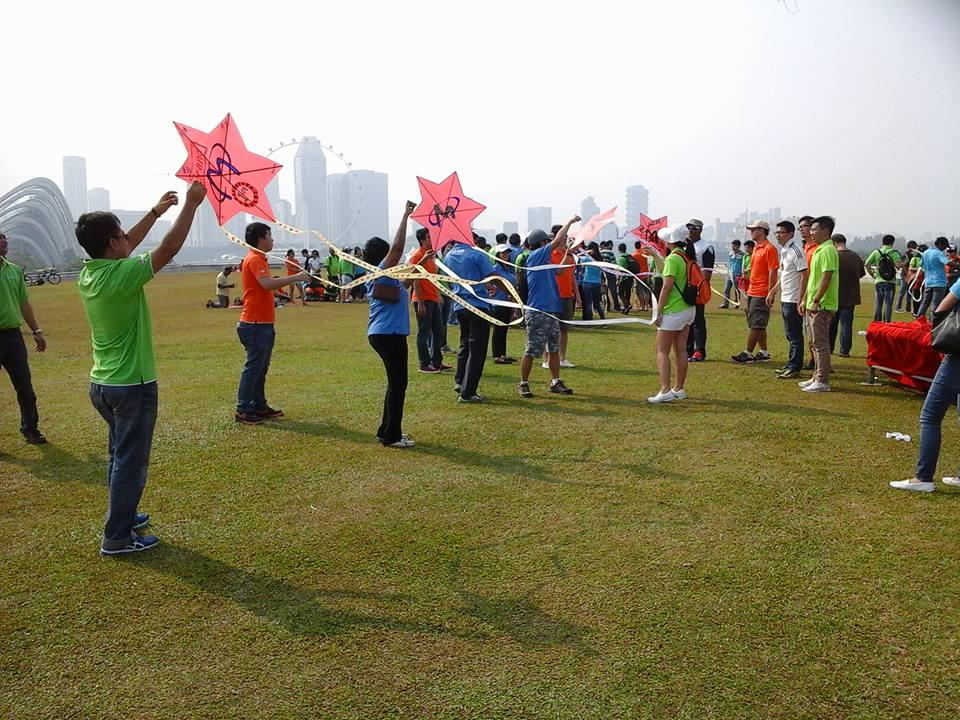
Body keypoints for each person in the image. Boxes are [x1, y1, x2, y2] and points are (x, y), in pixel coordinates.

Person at [75, 182, 205, 555]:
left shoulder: (91, 272)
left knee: (119, 455)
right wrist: (192, 205)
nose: (125, 239)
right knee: (130, 463)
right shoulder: (120, 275)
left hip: (104, 384)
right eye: (121, 235)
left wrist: (155, 211)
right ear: (114, 245)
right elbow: (169, 249)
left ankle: (124, 515)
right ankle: (117, 536)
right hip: (131, 385)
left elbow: (127, 243)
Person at [234, 222, 309, 425]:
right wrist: (297, 277)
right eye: (270, 236)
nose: (272, 239)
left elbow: (264, 287)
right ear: (261, 239)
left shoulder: (260, 259)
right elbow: (266, 284)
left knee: (260, 367)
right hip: (255, 323)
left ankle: (258, 405)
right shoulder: (256, 259)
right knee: (254, 367)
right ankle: (243, 408)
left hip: (262, 322)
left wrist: (280, 294)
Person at [366, 201, 417, 448]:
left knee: (395, 382)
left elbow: (401, 289)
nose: (393, 258)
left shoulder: (387, 276)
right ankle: (392, 436)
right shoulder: (380, 270)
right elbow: (397, 248)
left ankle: (386, 429)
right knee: (399, 384)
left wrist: (423, 261)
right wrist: (406, 215)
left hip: (385, 334)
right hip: (389, 335)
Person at [517, 218, 579, 398]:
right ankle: (523, 384)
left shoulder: (544, 261)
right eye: (547, 241)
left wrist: (567, 253)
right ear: (542, 243)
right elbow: (558, 241)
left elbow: (559, 271)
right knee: (531, 350)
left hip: (550, 310)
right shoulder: (535, 256)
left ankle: (555, 382)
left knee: (554, 349)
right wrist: (570, 222)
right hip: (537, 312)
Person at [0, 230, 48, 444]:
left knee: (25, 387)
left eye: (4, 241)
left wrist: (36, 331)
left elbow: (23, 303)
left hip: (12, 336)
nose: (3, 245)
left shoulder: (14, 271)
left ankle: (30, 428)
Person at [648, 225, 696, 403]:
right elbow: (668, 273)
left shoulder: (673, 259)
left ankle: (665, 390)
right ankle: (679, 388)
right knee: (681, 350)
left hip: (674, 310)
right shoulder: (685, 256)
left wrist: (658, 311)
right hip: (688, 309)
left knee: (662, 351)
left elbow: (667, 287)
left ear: (670, 240)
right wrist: (655, 255)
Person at [444, 235, 494, 403]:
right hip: (477, 306)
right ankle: (468, 392)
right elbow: (491, 275)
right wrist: (510, 292)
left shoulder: (449, 255)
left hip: (460, 306)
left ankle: (460, 381)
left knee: (465, 344)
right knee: (477, 350)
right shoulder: (477, 255)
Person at [798, 216, 840, 393]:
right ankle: (816, 376)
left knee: (820, 343)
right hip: (812, 304)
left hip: (821, 306)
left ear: (825, 231)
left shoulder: (828, 250)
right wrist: (804, 299)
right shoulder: (819, 250)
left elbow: (826, 277)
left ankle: (822, 380)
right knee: (814, 342)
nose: (811, 232)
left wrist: (816, 300)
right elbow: (813, 280)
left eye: (814, 229)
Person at [731, 221, 777, 363]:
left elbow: (773, 271)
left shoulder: (769, 249)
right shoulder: (756, 248)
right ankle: (763, 352)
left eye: (753, 229)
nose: (750, 232)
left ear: (762, 230)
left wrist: (770, 292)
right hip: (753, 291)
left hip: (761, 292)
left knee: (756, 324)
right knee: (758, 324)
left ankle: (748, 353)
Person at [769, 221, 807, 378]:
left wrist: (801, 299)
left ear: (791, 234)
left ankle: (795, 367)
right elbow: (784, 275)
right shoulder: (784, 250)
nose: (778, 235)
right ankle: (791, 363)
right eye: (776, 232)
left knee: (795, 335)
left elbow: (805, 275)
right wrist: (773, 291)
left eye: (781, 232)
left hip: (793, 299)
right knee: (790, 334)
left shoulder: (796, 250)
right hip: (785, 298)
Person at [410, 228, 446, 373]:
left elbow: (432, 279)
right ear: (422, 240)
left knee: (439, 331)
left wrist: (438, 295)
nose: (432, 239)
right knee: (424, 332)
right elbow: (415, 281)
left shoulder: (431, 256)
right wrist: (421, 302)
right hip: (423, 300)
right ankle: (424, 363)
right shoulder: (418, 256)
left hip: (433, 298)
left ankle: (437, 361)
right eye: (429, 237)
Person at [829, 234, 865, 357]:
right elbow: (861, 273)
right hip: (851, 296)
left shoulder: (834, 256)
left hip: (835, 296)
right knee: (846, 325)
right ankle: (845, 351)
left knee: (831, 325)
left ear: (834, 243)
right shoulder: (855, 256)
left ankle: (829, 348)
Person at [686, 219, 713, 362]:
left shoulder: (706, 247)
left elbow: (707, 272)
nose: (690, 230)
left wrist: (700, 288)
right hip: (685, 288)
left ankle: (699, 351)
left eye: (693, 228)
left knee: (698, 320)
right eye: (688, 227)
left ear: (700, 229)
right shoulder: (685, 246)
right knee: (687, 320)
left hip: (697, 288)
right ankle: (688, 350)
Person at [865, 234, 903, 323]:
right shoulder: (894, 252)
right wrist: (905, 261)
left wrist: (872, 275)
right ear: (892, 243)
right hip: (890, 281)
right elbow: (898, 266)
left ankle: (877, 322)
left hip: (878, 281)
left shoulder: (876, 252)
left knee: (878, 304)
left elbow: (867, 264)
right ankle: (887, 322)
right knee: (888, 304)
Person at [490, 244, 517, 364]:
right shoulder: (495, 269)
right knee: (498, 329)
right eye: (503, 253)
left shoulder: (509, 269)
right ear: (498, 255)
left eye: (507, 253)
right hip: (498, 303)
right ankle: (497, 355)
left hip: (507, 303)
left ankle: (503, 353)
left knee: (504, 329)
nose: (505, 255)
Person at [915, 237, 951, 319]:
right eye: (945, 246)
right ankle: (933, 324)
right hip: (940, 283)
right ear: (940, 244)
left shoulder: (925, 253)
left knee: (925, 303)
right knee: (935, 305)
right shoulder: (939, 253)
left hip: (928, 282)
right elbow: (948, 263)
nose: (945, 248)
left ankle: (918, 321)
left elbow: (922, 266)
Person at [798, 216, 817, 370]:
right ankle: (813, 360)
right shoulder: (805, 248)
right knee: (808, 331)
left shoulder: (818, 248)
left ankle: (819, 363)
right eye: (800, 227)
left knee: (816, 333)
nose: (801, 230)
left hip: (814, 296)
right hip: (805, 294)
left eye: (804, 226)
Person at [579, 242, 606, 321]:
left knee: (588, 304)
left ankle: (589, 322)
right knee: (597, 304)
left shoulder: (587, 258)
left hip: (587, 281)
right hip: (597, 282)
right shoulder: (600, 259)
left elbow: (578, 257)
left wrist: (586, 253)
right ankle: (603, 320)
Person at [719, 239, 743, 309]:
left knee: (736, 290)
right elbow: (730, 263)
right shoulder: (730, 253)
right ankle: (725, 303)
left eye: (734, 246)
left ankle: (736, 303)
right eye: (732, 246)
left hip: (737, 275)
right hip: (730, 274)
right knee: (726, 289)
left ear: (738, 246)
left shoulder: (742, 255)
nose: (732, 247)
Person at [896, 241, 919, 313]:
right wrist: (907, 274)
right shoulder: (906, 254)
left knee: (909, 292)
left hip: (909, 275)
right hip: (905, 275)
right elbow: (903, 265)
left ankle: (908, 307)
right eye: (914, 246)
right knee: (902, 292)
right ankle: (898, 307)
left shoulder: (911, 255)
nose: (916, 248)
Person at [599, 240, 622, 312]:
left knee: (604, 290)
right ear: (609, 245)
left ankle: (607, 306)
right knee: (613, 290)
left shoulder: (600, 252)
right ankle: (616, 306)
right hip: (610, 272)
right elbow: (613, 263)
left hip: (602, 272)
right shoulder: (610, 252)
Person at [616, 243, 637, 313]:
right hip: (630, 277)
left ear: (619, 250)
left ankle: (627, 304)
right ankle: (626, 309)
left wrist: (618, 279)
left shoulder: (621, 258)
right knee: (628, 293)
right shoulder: (630, 256)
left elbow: (620, 270)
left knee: (620, 292)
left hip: (624, 278)